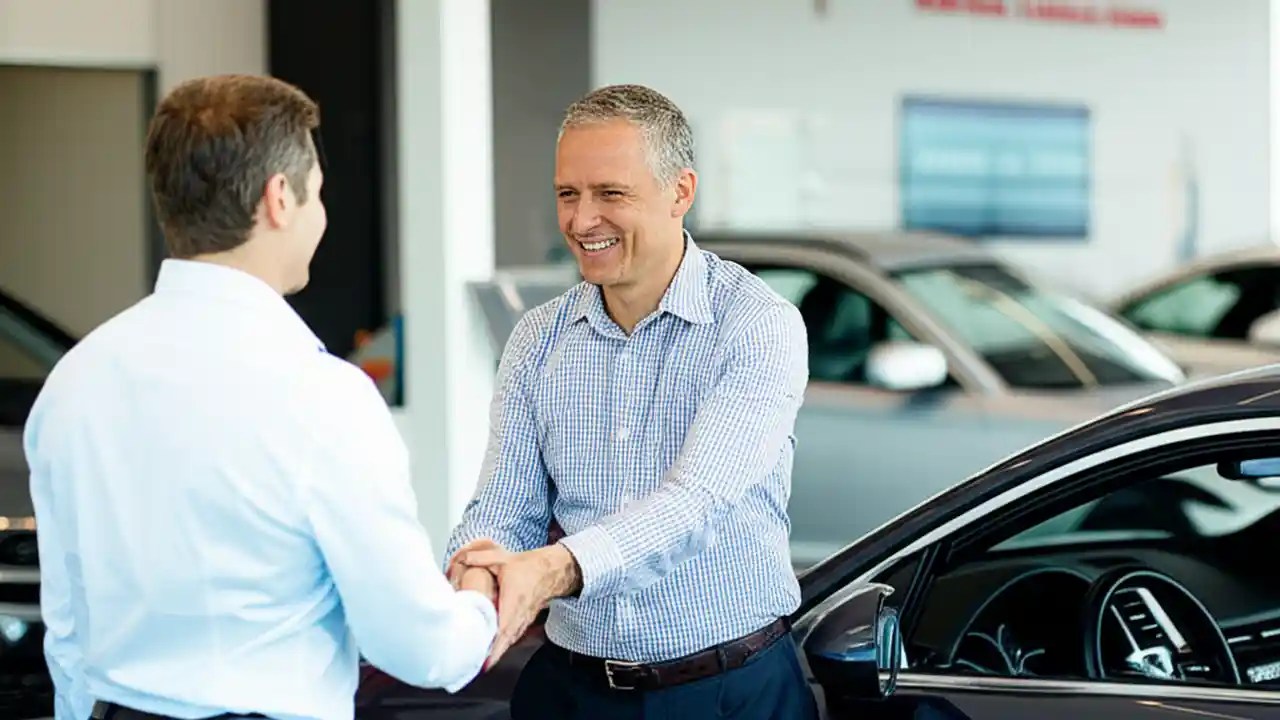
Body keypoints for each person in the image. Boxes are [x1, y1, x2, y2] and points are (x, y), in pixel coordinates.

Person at [24, 74, 498, 720]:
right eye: (317, 194)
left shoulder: (76, 382)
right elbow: (418, 647)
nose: (320, 214)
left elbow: (69, 630)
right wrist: (480, 598)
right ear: (279, 199)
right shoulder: (322, 397)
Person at [444, 84, 819, 720]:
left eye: (610, 194)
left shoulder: (757, 326)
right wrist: (480, 576)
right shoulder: (538, 338)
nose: (581, 220)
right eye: (568, 194)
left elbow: (697, 502)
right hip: (571, 693)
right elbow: (505, 504)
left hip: (729, 692)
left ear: (681, 192)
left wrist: (554, 571)